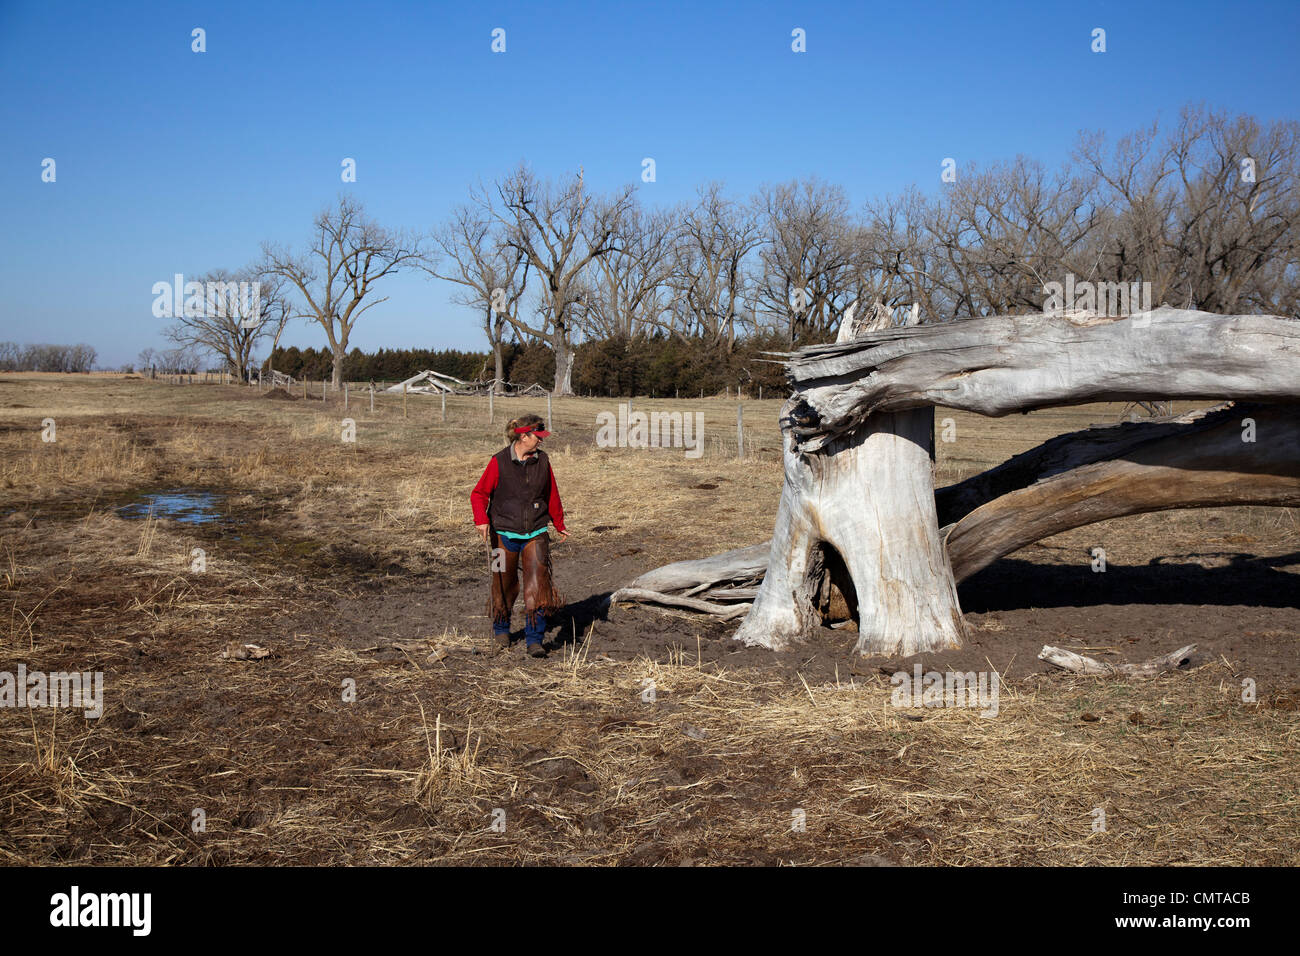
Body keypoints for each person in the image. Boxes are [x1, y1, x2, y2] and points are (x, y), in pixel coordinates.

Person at [470, 414, 569, 657]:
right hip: (501, 535)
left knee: (537, 587)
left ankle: (534, 640)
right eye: (538, 437)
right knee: (502, 583)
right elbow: (478, 494)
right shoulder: (499, 462)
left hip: (536, 532)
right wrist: (481, 521)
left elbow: (551, 493)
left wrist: (559, 522)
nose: (541, 441)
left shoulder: (543, 461)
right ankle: (502, 630)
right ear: (523, 436)